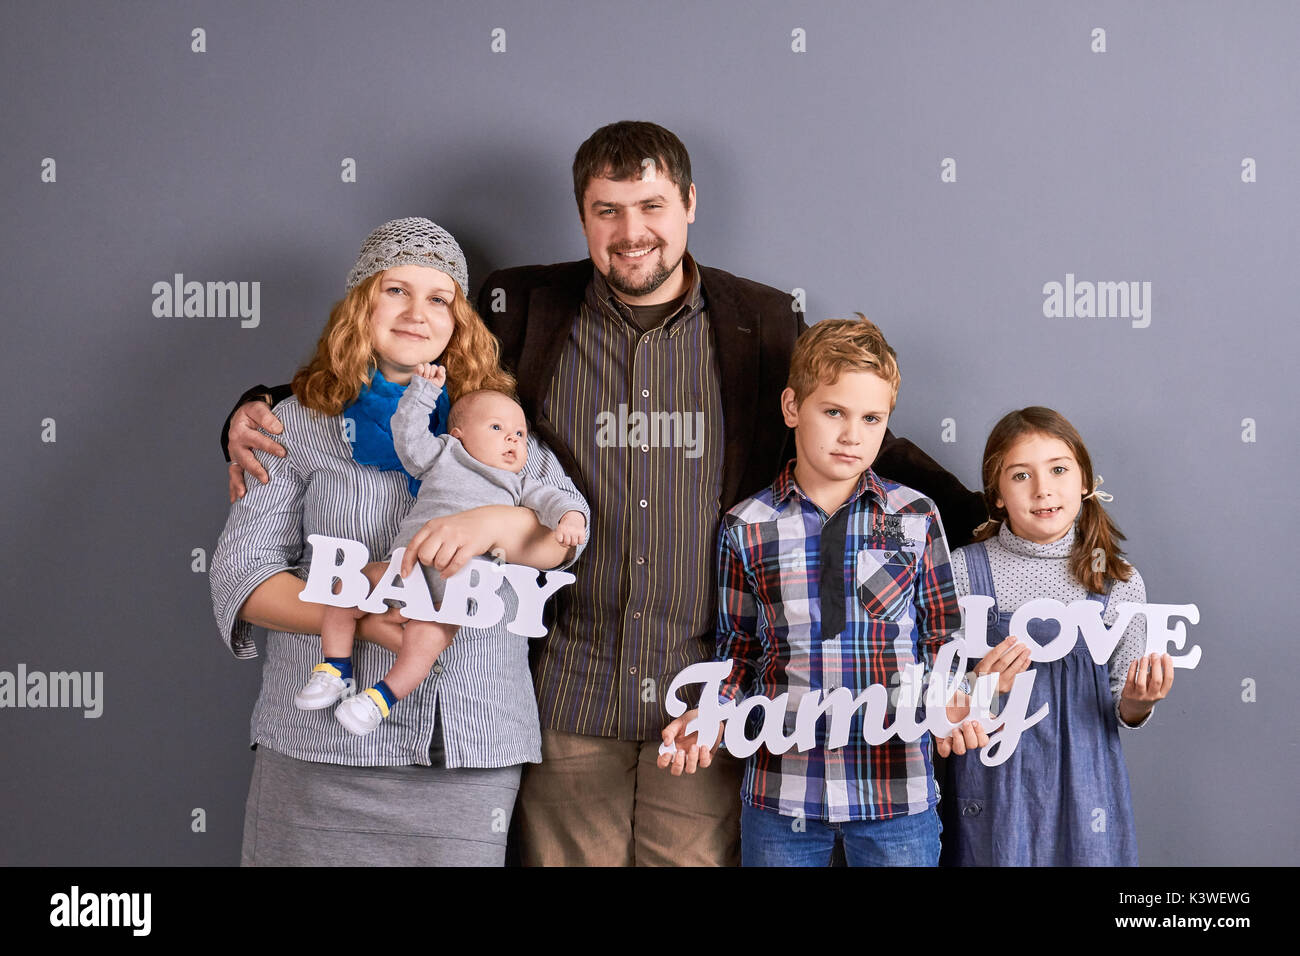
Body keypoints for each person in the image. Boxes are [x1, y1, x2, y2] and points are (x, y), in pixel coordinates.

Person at [223, 122, 986, 866]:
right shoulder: (523, 308)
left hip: (699, 692)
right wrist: (261, 406)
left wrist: (985, 514)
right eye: (607, 210)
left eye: (652, 206)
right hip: (567, 689)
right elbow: (410, 365)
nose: (632, 231)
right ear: (583, 215)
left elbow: (846, 419)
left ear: (688, 203)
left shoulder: (759, 318)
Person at [210, 217, 587, 865]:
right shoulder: (293, 423)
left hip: (465, 747)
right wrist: (358, 622)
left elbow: (562, 538)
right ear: (361, 304)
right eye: (396, 290)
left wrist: (493, 526)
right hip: (318, 750)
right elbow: (243, 576)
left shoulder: (494, 423)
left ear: (460, 319)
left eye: (439, 298)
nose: (418, 313)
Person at [659, 316, 987, 866]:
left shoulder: (915, 515)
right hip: (783, 793)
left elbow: (943, 638)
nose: (851, 434)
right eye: (833, 411)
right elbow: (738, 651)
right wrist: (712, 712)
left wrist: (953, 695)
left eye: (871, 418)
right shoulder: (747, 525)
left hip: (896, 793)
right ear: (793, 408)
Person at [300, 362, 588, 736]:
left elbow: (557, 498)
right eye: (497, 428)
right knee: (346, 588)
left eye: (519, 433)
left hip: (454, 587)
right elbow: (408, 438)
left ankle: (380, 698)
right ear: (458, 434)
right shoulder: (444, 455)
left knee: (428, 639)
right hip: (400, 568)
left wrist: (570, 519)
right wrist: (422, 392)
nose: (513, 440)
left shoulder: (519, 484)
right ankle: (335, 668)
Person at [939, 407, 1173, 866]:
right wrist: (979, 685)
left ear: (1085, 480)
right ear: (998, 494)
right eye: (1020, 475)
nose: (1043, 489)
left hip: (1086, 782)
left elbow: (1121, 706)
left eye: (1059, 470)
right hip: (991, 781)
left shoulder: (1119, 581)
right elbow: (929, 695)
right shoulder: (962, 570)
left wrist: (1140, 702)